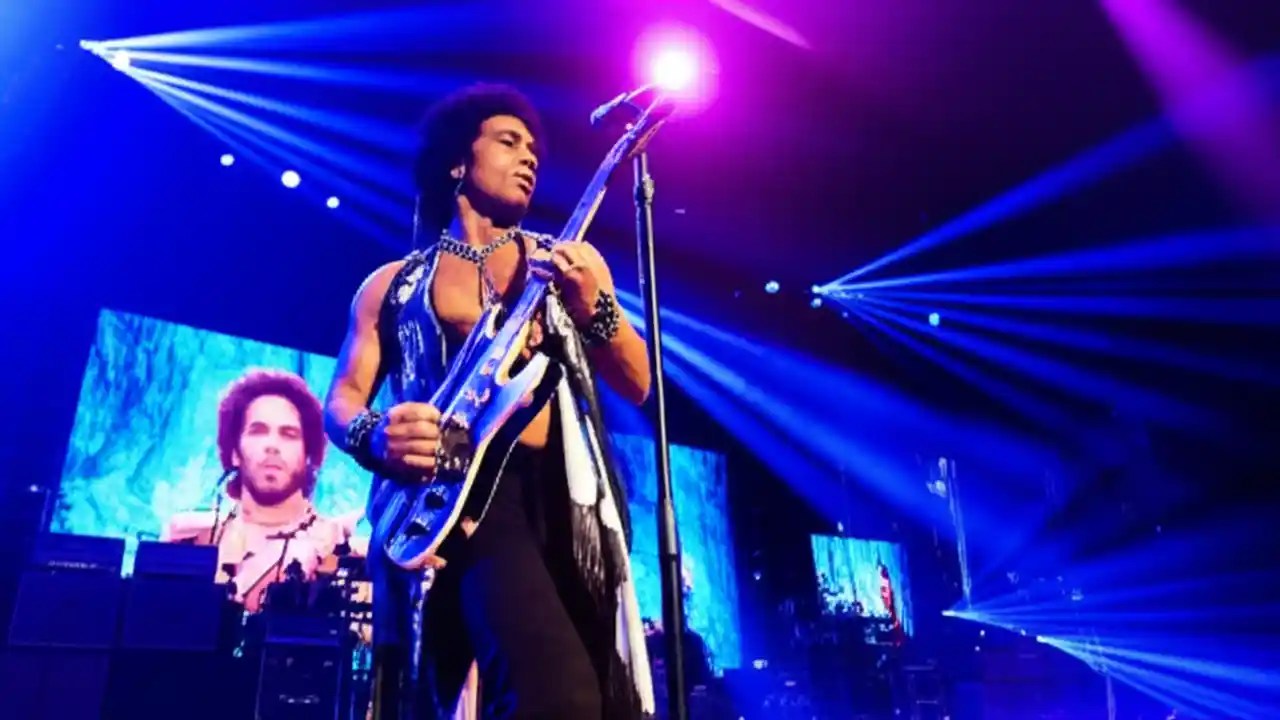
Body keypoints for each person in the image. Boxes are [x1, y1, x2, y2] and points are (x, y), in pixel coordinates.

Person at [324, 83, 655, 719]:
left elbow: (638, 384)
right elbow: (341, 398)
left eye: (534, 147)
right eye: (508, 141)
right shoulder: (391, 286)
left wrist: (598, 308)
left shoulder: (566, 265)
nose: (529, 156)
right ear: (457, 162)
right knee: (555, 698)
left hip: (566, 506)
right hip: (459, 508)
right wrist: (374, 434)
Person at [165, 368, 363, 612]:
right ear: (234, 452)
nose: (272, 446)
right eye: (258, 431)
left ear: (309, 455)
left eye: (288, 435)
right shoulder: (190, 537)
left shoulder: (337, 547)